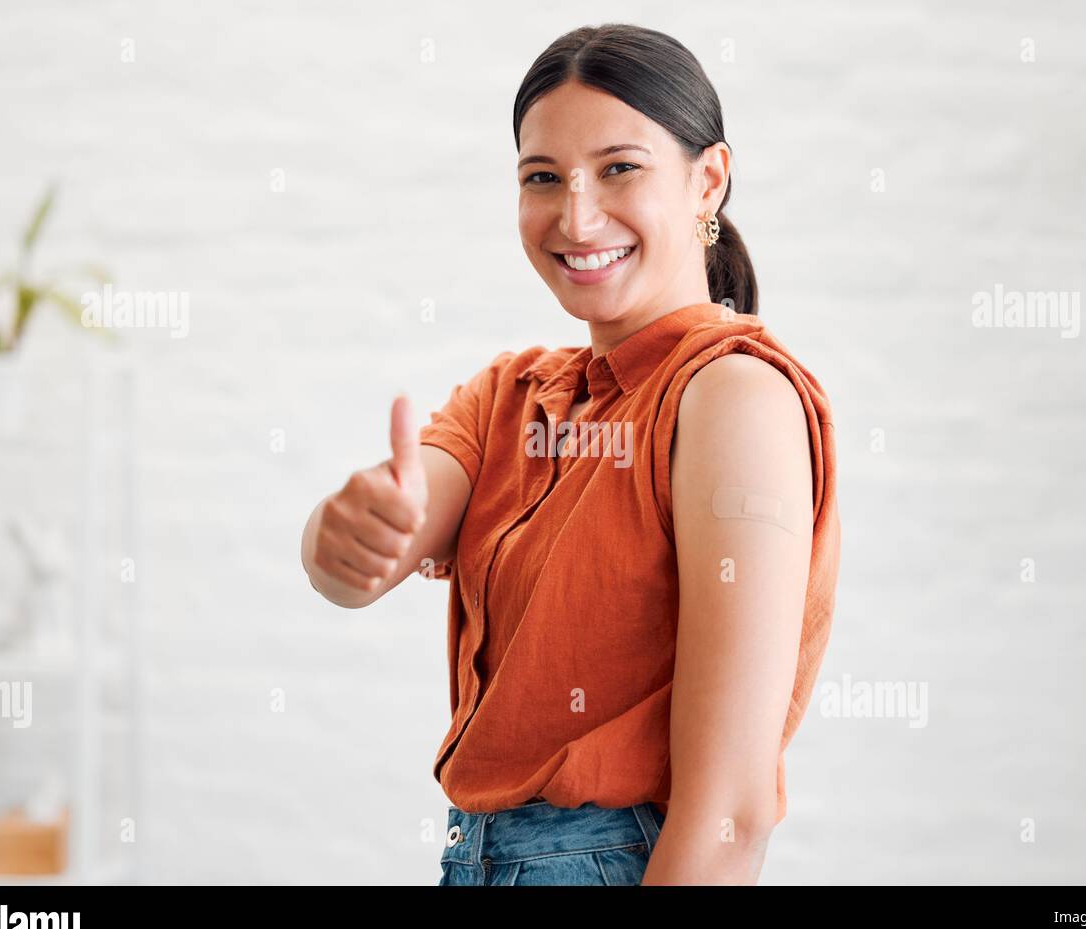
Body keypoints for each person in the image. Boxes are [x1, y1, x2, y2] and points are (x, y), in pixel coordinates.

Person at [301, 23, 841, 885]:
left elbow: (731, 815)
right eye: (542, 178)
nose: (576, 215)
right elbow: (366, 558)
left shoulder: (733, 396)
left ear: (709, 179)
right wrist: (342, 536)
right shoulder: (509, 395)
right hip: (475, 855)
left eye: (619, 168)